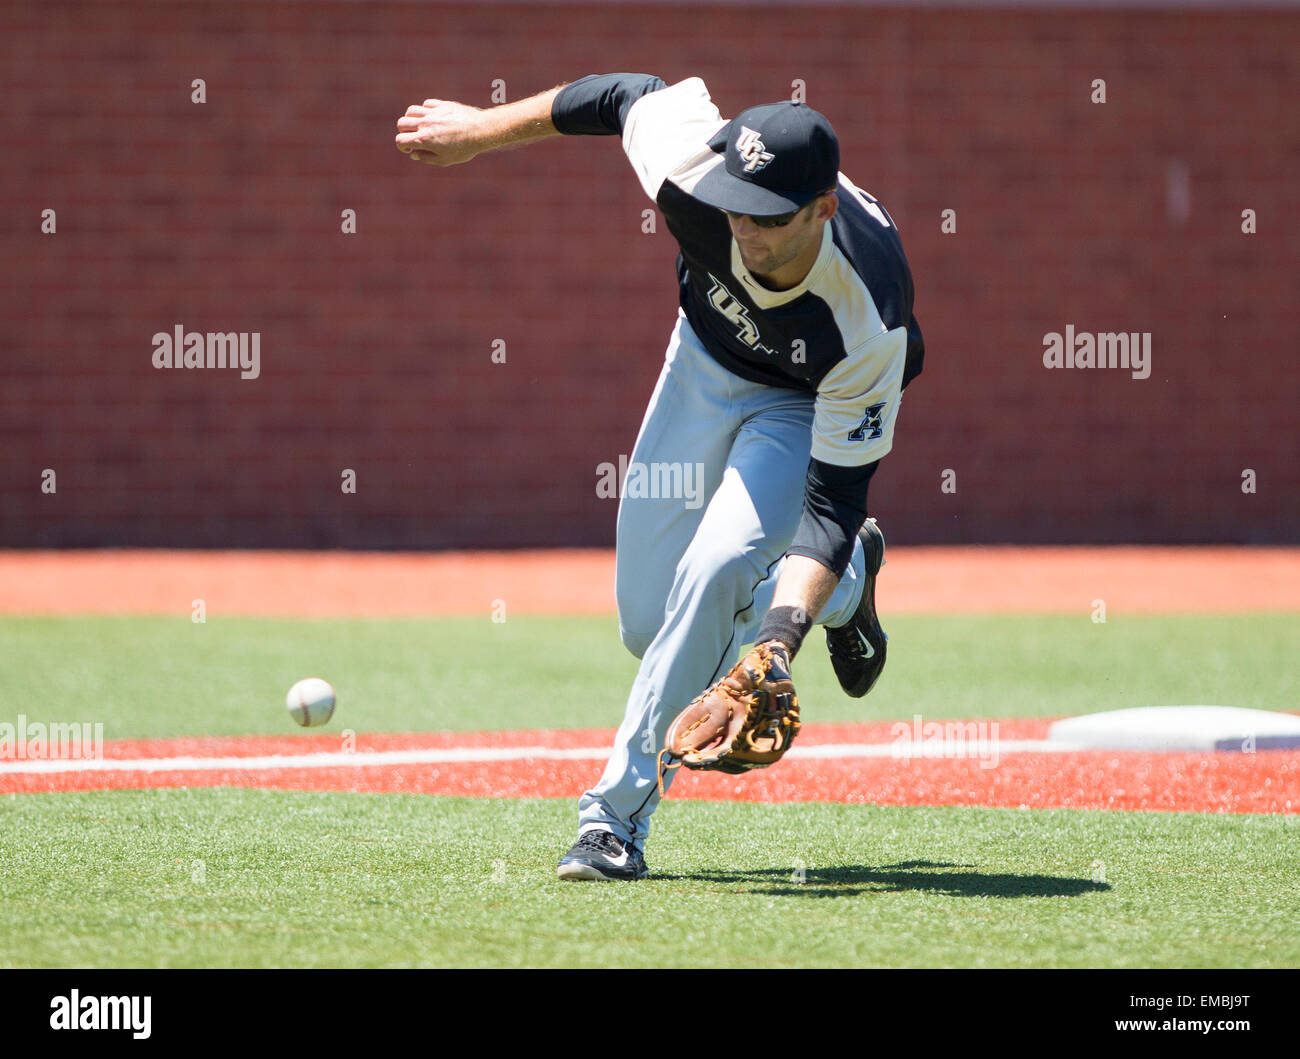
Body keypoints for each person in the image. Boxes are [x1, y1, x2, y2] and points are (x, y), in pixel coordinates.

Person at [396, 73, 924, 881]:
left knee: (716, 572)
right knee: (653, 626)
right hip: (704, 364)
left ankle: (612, 820)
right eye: (736, 202)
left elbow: (834, 498)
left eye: (770, 215)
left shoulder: (868, 320)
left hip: (805, 401)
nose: (744, 225)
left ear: (821, 210)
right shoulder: (691, 173)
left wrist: (778, 645)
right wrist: (477, 130)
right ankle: (848, 581)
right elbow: (618, 96)